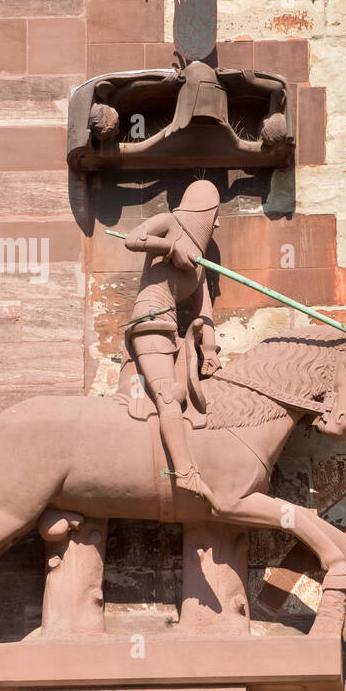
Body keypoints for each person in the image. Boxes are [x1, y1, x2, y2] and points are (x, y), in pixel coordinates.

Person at [123, 179, 224, 512]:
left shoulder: (201, 262)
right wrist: (170, 248)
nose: (218, 223)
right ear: (203, 210)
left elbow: (204, 310)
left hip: (173, 333)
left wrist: (209, 352)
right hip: (150, 320)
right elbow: (133, 238)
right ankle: (186, 473)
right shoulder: (170, 224)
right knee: (170, 394)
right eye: (215, 214)